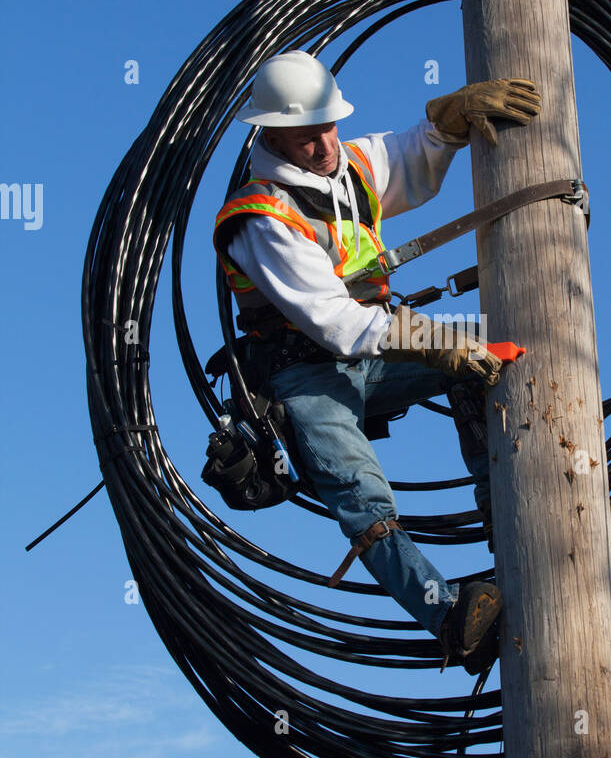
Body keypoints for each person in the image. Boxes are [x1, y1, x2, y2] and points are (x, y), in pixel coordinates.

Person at [213, 51, 540, 672]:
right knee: (362, 498)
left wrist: (448, 123)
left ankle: (512, 522)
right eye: (307, 135)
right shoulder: (260, 218)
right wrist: (437, 341)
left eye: (329, 126)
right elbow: (337, 322)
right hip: (302, 371)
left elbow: (406, 158)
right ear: (270, 135)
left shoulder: (347, 165)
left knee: (489, 354)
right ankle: (450, 617)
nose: (324, 144)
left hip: (378, 348)